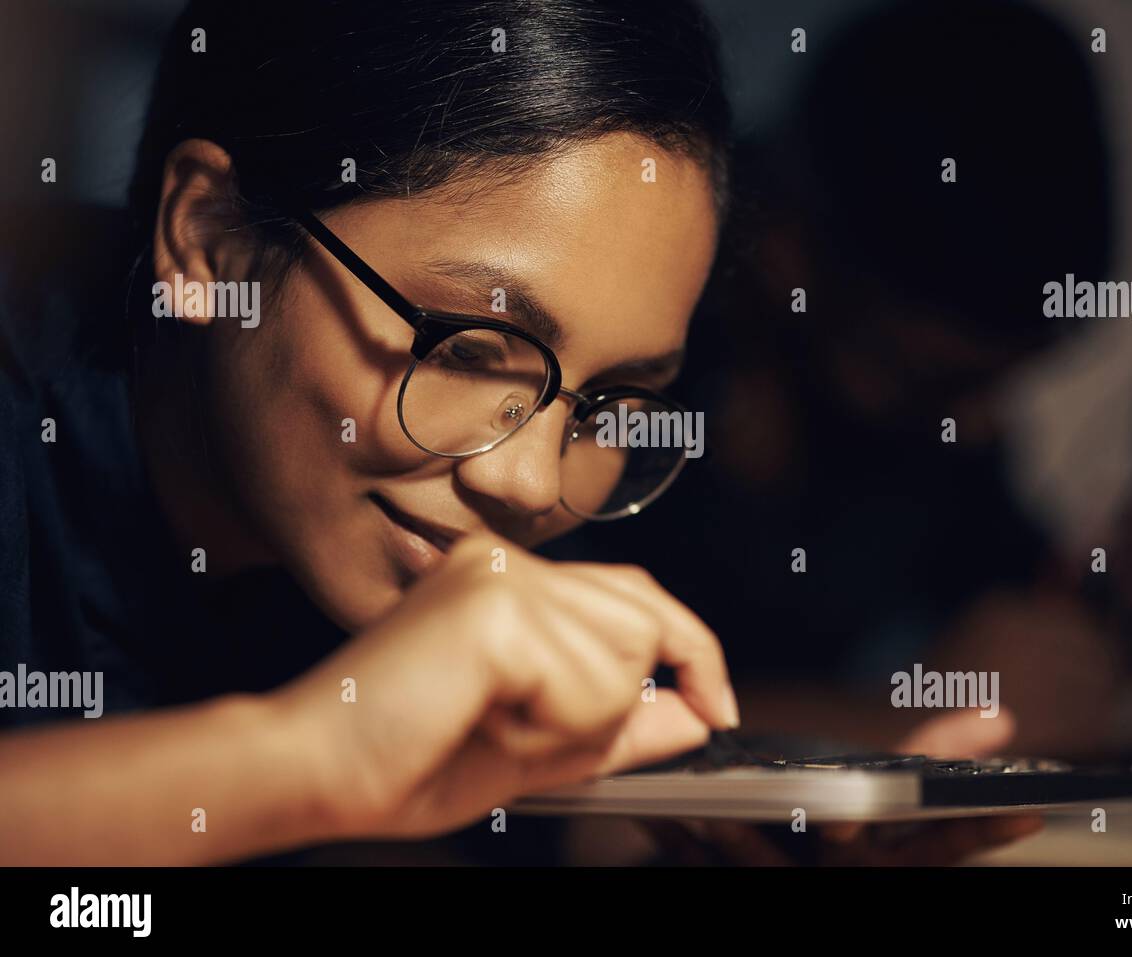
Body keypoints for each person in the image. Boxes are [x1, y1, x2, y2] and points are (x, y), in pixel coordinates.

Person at [0, 0, 1037, 866]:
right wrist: (314, 758)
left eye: (611, 401)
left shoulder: (425, 544)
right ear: (212, 242)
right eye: (465, 348)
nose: (531, 481)